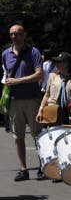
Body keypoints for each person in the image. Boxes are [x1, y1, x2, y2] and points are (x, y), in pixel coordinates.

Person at [3, 24, 44, 181]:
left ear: (24, 35)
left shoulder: (33, 52)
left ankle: (43, 167)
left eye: (18, 33)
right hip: (14, 100)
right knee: (17, 136)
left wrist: (17, 81)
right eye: (12, 34)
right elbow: (5, 73)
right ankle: (23, 169)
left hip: (32, 99)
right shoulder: (5, 54)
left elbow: (39, 74)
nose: (14, 36)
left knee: (37, 135)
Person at [37, 52, 71, 126]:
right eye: (56, 62)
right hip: (52, 111)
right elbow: (47, 95)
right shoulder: (53, 76)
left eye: (59, 62)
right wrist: (40, 110)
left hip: (69, 113)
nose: (56, 64)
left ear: (67, 64)